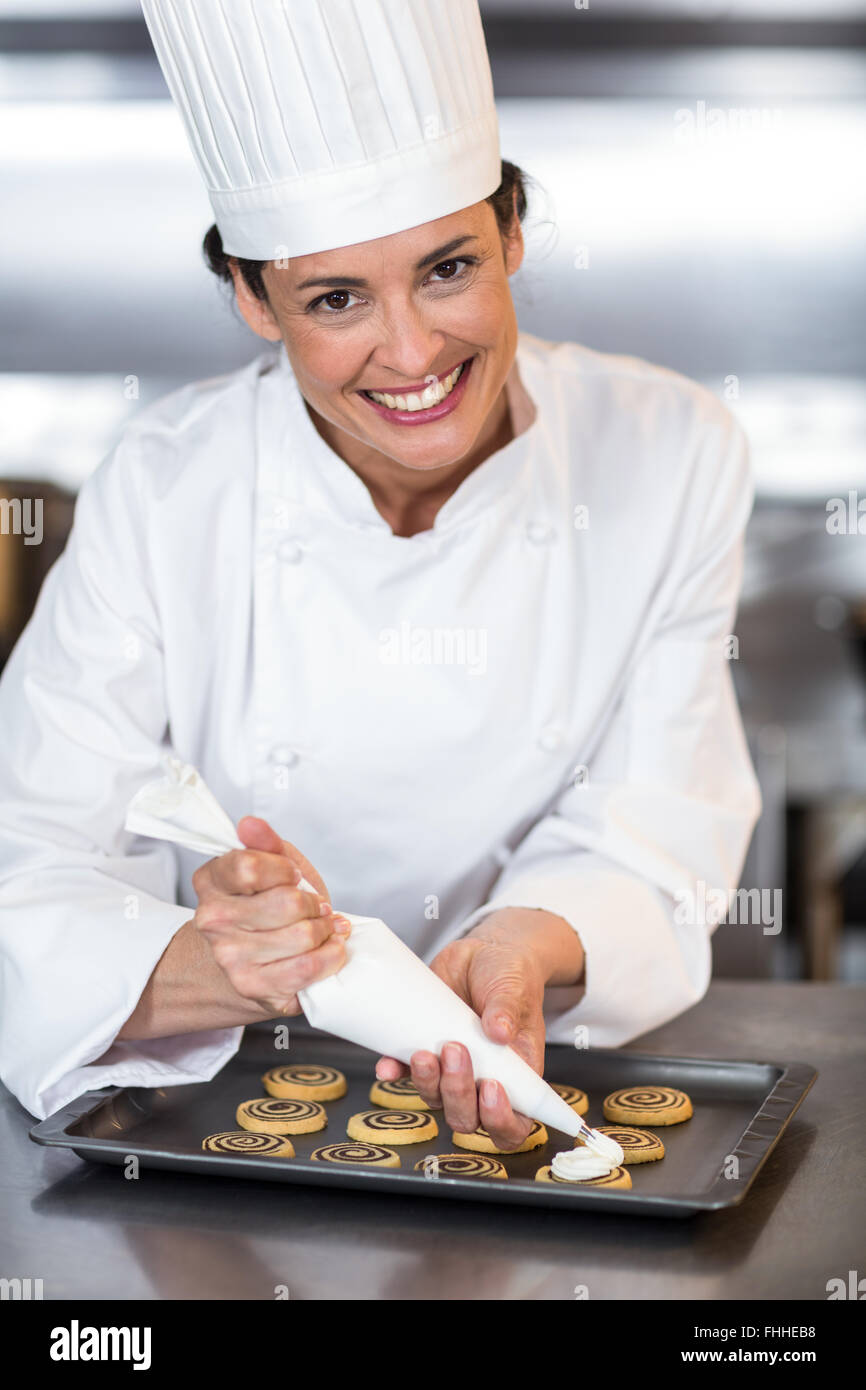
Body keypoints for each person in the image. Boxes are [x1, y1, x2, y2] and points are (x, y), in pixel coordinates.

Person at [0, 0, 760, 1146]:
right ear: (255, 301)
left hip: (537, 1064)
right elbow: (26, 861)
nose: (409, 355)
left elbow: (649, 822)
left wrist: (516, 953)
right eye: (335, 299)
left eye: (447, 266)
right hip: (217, 1114)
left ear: (511, 233)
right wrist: (237, 967)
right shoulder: (166, 486)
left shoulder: (668, 448)